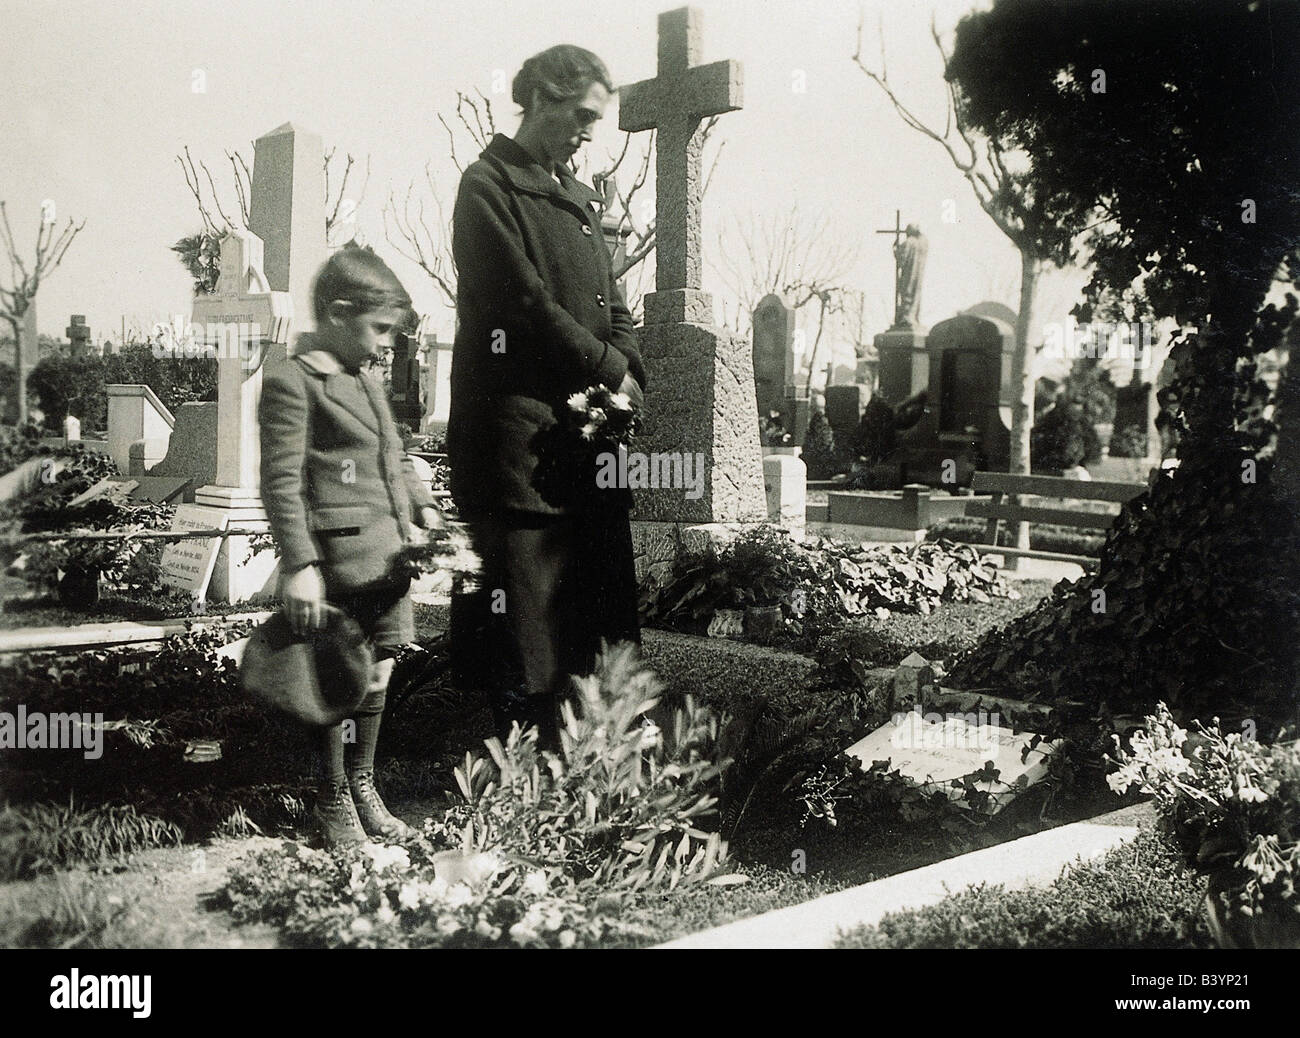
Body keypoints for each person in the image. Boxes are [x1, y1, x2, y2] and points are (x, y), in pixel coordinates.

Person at [447, 44, 646, 749]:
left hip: (585, 447)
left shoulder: (580, 198)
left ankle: (594, 785)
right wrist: (602, 364)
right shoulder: (488, 187)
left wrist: (627, 366)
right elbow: (522, 303)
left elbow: (609, 297)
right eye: (581, 114)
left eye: (597, 118)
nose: (590, 130)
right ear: (539, 98)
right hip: (519, 448)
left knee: (600, 627)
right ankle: (519, 791)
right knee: (528, 637)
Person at [259, 246, 444, 848]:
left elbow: (393, 457)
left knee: (380, 671)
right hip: (336, 561)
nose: (387, 344)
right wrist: (301, 565)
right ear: (339, 313)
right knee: (336, 677)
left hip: (390, 558)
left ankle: (363, 781)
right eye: (380, 329)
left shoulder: (365, 378)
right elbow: (282, 481)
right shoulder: (295, 380)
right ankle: (332, 794)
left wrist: (428, 509)